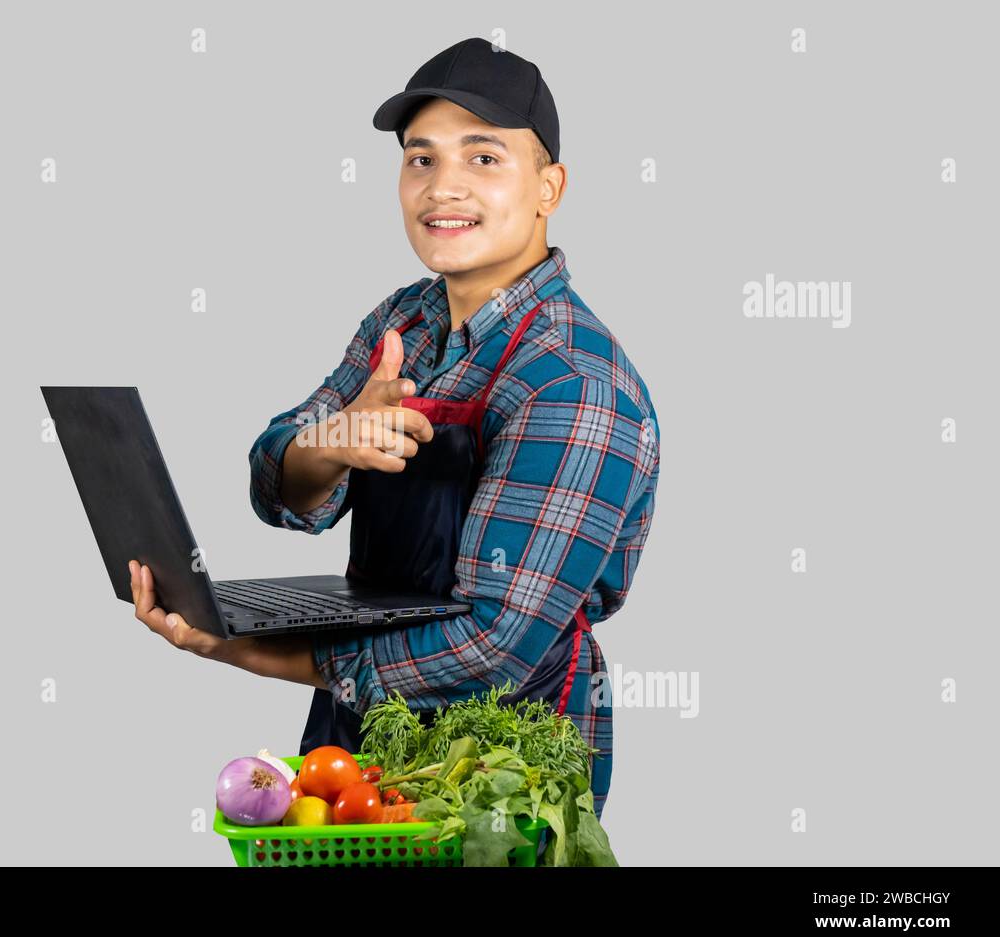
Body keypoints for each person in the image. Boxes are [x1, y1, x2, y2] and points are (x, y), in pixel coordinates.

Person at [128, 37, 660, 820]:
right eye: (420, 159)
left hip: (500, 773)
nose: (443, 187)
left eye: (483, 159)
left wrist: (238, 644)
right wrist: (331, 441)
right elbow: (277, 481)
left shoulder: (574, 382)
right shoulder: (403, 320)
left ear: (549, 187)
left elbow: (490, 649)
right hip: (356, 744)